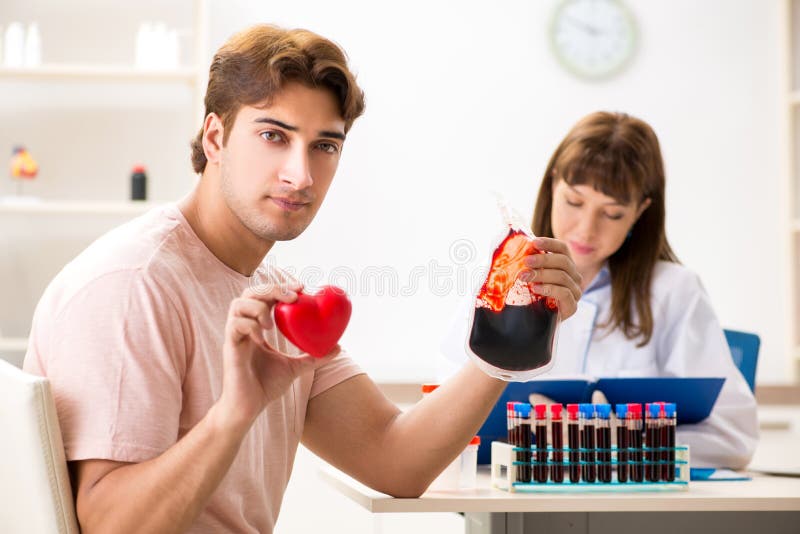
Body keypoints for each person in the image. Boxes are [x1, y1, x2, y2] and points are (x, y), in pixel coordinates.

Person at [23, 25, 581, 533]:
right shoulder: (131, 285)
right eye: (274, 136)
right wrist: (233, 416)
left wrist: (506, 349)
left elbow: (395, 460)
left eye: (325, 146)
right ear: (215, 138)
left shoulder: (275, 294)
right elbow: (109, 527)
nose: (301, 173)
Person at [443, 111, 757, 470]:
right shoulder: (502, 278)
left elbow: (733, 436)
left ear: (640, 211)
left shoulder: (674, 291)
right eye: (574, 202)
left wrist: (610, 441)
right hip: (517, 493)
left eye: (612, 214)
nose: (586, 229)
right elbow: (446, 419)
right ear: (552, 185)